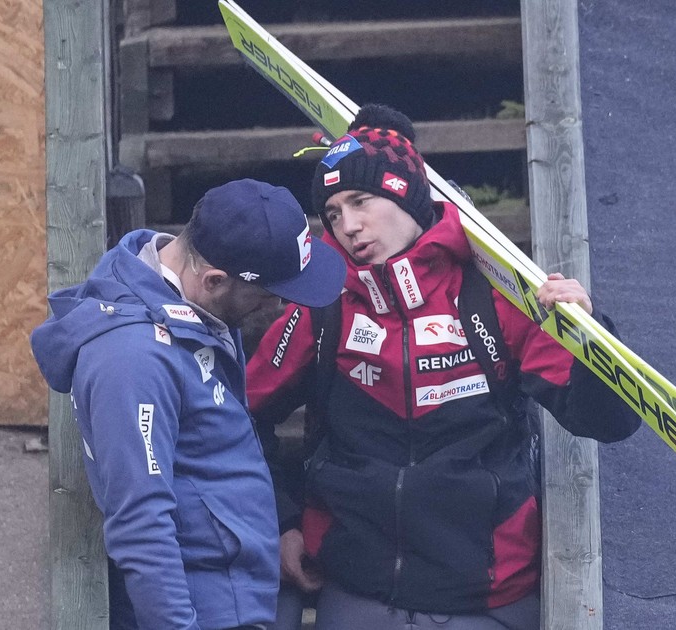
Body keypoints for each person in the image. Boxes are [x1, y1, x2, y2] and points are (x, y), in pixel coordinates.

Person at [246, 105, 641, 629]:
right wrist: (282, 519)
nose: (349, 226)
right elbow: (241, 414)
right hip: (361, 592)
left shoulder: (496, 296)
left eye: (361, 201)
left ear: (407, 194)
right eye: (334, 213)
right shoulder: (322, 305)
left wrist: (590, 337)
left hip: (489, 597)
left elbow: (609, 421)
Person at [30, 179, 347, 630]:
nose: (276, 305)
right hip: (202, 611)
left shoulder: (196, 310)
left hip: (238, 595)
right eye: (268, 293)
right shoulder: (133, 359)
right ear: (214, 279)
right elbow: (141, 525)